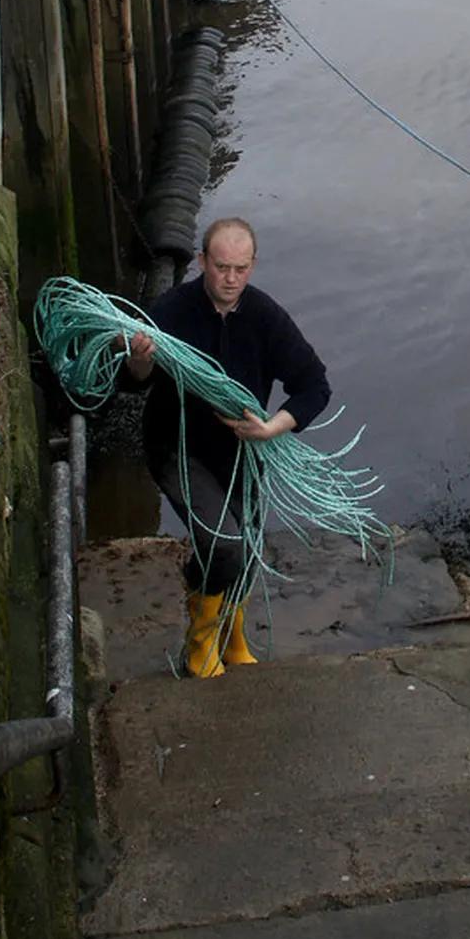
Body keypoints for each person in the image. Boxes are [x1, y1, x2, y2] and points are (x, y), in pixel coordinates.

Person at [125, 217, 331, 677]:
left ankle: (231, 635)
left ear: (253, 265)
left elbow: (314, 385)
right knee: (223, 543)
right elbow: (132, 384)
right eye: (221, 267)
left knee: (249, 550)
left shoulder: (264, 316)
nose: (230, 279)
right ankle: (199, 645)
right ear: (201, 262)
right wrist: (138, 364)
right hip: (178, 447)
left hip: (244, 451)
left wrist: (274, 426)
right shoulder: (171, 311)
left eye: (241, 268)